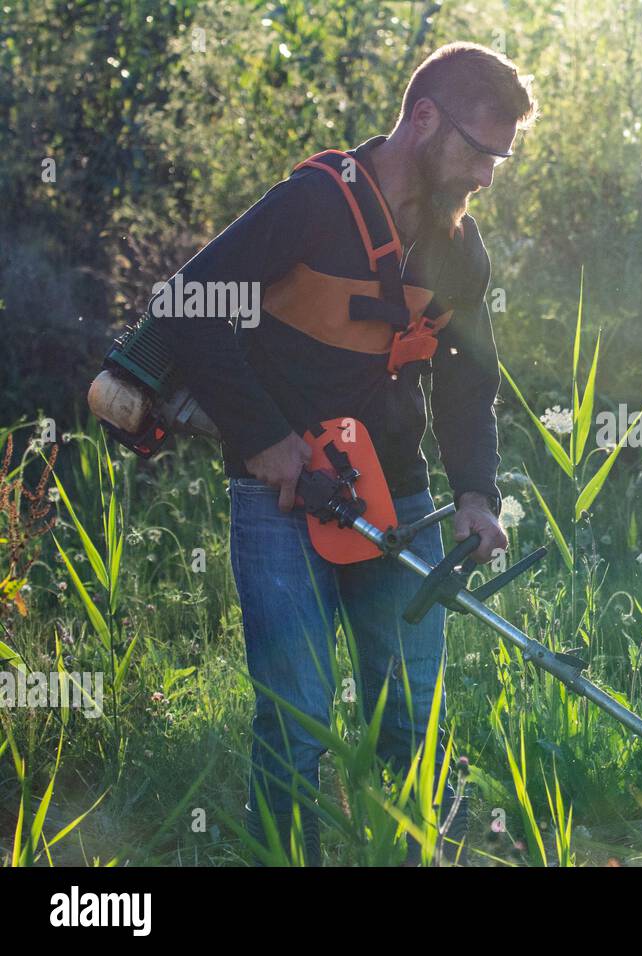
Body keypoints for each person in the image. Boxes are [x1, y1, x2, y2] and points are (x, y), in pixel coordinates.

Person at [154, 41, 538, 865]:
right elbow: (189, 303)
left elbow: (470, 381)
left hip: (402, 501)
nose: (487, 176)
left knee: (412, 715)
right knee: (297, 716)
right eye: (480, 151)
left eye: (501, 157)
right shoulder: (313, 204)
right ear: (424, 117)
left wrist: (476, 494)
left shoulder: (458, 250)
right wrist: (265, 443)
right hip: (281, 499)